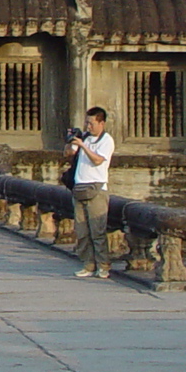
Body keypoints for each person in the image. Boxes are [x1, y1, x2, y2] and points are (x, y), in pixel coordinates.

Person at [68, 106, 116, 279]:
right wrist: (72, 141)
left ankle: (103, 265)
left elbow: (97, 160)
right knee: (82, 231)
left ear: (101, 123)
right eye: (87, 123)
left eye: (92, 123)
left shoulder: (106, 140)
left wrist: (83, 146)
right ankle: (88, 264)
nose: (89, 127)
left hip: (96, 189)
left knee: (97, 231)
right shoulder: (85, 137)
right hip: (80, 187)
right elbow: (68, 154)